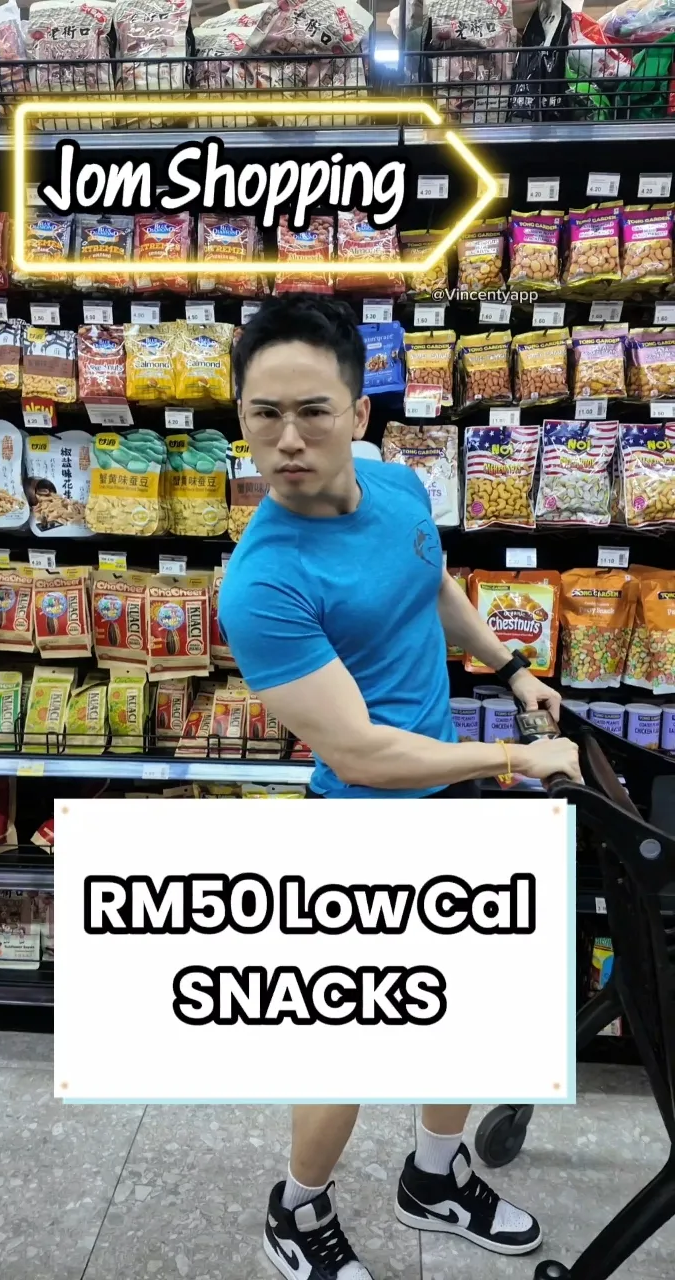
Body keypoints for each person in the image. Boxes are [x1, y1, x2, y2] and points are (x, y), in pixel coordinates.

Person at [218, 294, 581, 1280]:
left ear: (359, 412)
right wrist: (512, 758)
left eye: (313, 411)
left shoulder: (396, 484)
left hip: (446, 795)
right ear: (242, 418)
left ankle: (434, 1176)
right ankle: (296, 1210)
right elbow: (362, 755)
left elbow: (431, 581)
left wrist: (510, 667)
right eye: (263, 415)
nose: (288, 440)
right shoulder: (262, 584)